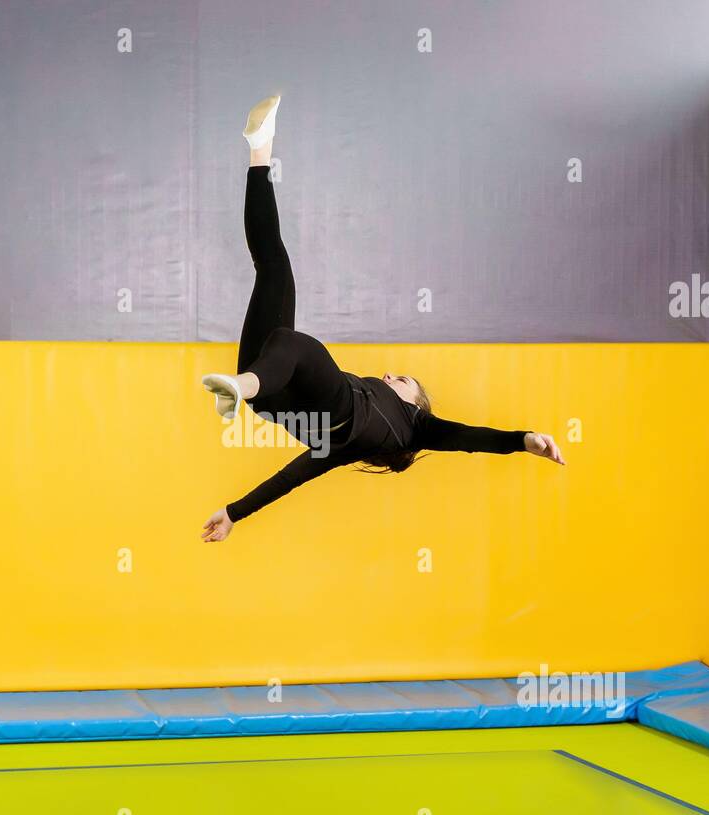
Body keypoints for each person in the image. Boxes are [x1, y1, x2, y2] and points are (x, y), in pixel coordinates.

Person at [201, 96, 564, 543]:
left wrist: (521, 440)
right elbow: (292, 477)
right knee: (274, 268)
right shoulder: (338, 450)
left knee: (294, 342)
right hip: (272, 383)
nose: (391, 373)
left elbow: (470, 436)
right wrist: (235, 513)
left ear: (415, 404)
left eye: (405, 380)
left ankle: (238, 387)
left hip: (313, 398)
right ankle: (260, 151)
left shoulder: (416, 427)